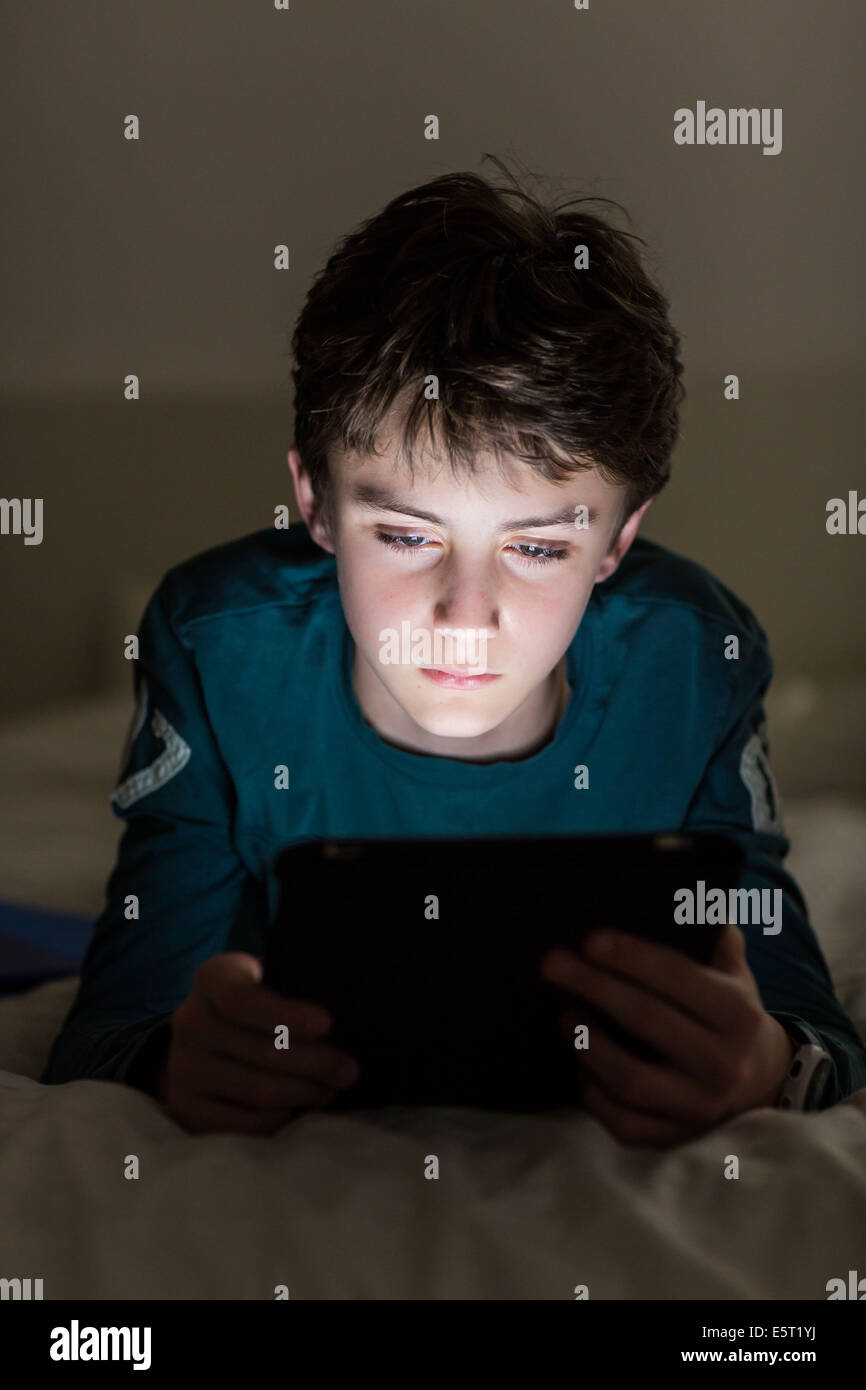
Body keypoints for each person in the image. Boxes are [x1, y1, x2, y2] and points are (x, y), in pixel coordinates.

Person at [41, 158, 866, 1146]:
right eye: (403, 535)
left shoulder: (691, 659)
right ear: (313, 502)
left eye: (534, 547)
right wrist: (170, 1062)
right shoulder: (215, 648)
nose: (462, 615)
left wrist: (770, 1065)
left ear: (615, 539)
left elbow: (816, 1035)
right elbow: (108, 1033)